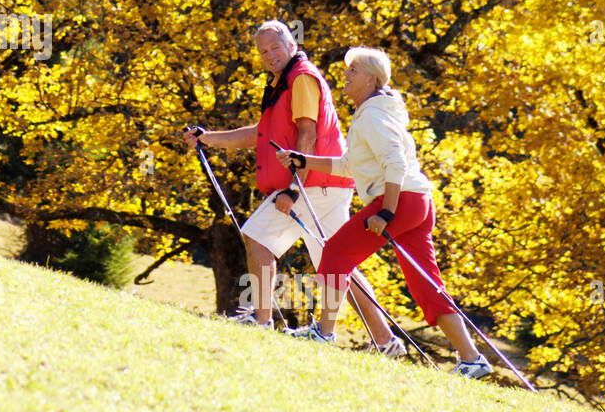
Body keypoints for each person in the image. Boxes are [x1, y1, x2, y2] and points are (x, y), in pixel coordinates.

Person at [183, 21, 404, 355]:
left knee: (257, 236)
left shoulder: (300, 78)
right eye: (263, 52)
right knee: (338, 263)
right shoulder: (282, 82)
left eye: (275, 48)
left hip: (312, 184)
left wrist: (292, 189)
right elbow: (260, 133)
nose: (269, 56)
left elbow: (307, 134)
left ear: (290, 45)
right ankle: (387, 342)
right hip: (329, 185)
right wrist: (209, 138)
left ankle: (260, 321)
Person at [274, 46, 491, 379]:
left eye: (353, 71)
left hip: (399, 201)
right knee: (425, 284)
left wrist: (387, 212)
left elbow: (395, 163)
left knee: (334, 254)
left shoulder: (373, 114)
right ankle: (472, 359)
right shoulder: (374, 112)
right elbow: (350, 166)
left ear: (372, 79)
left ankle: (323, 333)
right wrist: (305, 161)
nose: (345, 76)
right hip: (417, 201)